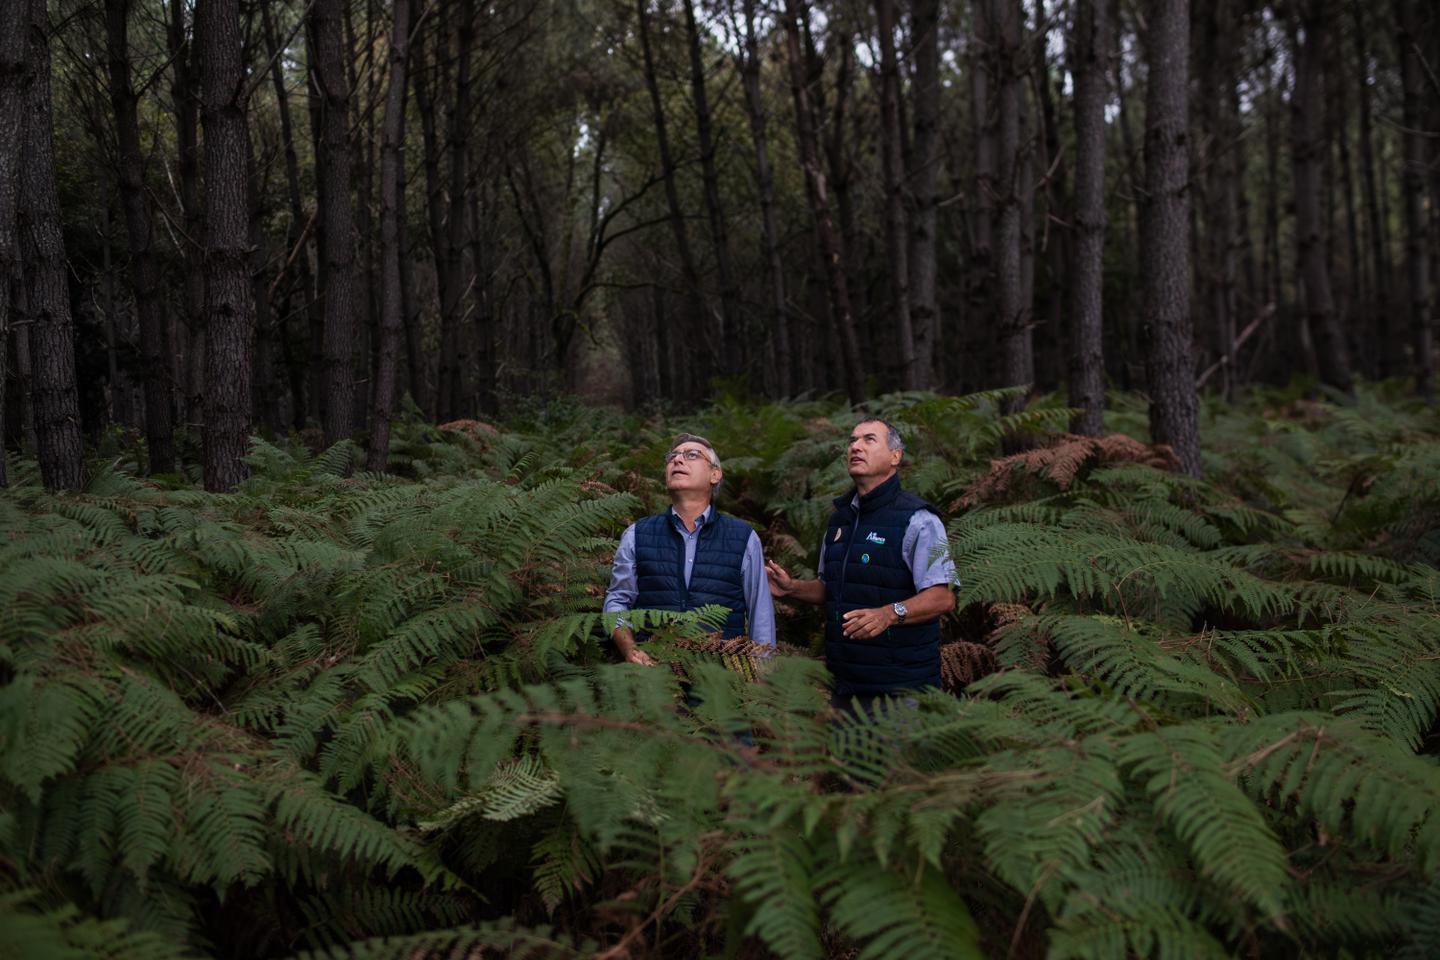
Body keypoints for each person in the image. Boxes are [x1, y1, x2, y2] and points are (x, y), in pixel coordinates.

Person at [766, 418, 956, 711]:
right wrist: (792, 588)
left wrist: (890, 614)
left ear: (895, 456)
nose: (855, 446)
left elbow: (943, 597)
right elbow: (833, 588)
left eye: (869, 439)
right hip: (845, 685)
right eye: (852, 440)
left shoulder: (919, 521)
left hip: (901, 689)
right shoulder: (840, 520)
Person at [604, 434, 776, 665]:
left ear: (715, 474)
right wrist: (629, 649)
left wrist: (761, 677)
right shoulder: (636, 535)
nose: (677, 460)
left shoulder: (744, 537)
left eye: (691, 455)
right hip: (656, 678)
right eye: (672, 457)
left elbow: (760, 615)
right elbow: (617, 602)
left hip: (720, 682)